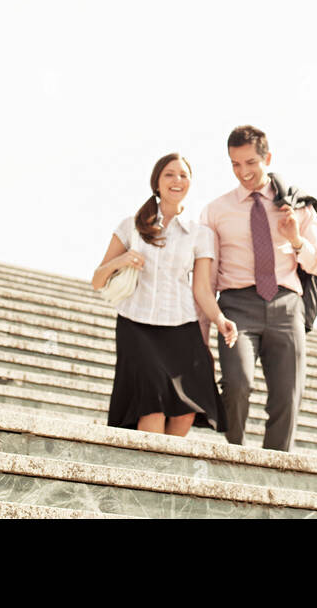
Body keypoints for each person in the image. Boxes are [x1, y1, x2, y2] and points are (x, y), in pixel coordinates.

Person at [197, 125, 317, 451]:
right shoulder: (216, 211)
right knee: (237, 384)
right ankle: (233, 454)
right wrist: (203, 332)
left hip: (287, 305)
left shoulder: (298, 206)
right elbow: (208, 277)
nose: (243, 172)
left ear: (267, 158)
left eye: (250, 163)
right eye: (235, 164)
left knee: (288, 394)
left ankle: (275, 467)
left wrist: (296, 240)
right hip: (235, 307)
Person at [92, 152, 238, 437]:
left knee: (185, 411)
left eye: (183, 175)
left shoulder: (200, 234)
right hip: (136, 326)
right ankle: (149, 476)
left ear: (190, 183)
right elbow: (98, 280)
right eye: (169, 174)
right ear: (157, 182)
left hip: (181, 328)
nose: (177, 180)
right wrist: (121, 261)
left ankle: (164, 473)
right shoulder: (131, 226)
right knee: (152, 407)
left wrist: (220, 320)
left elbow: (201, 290)